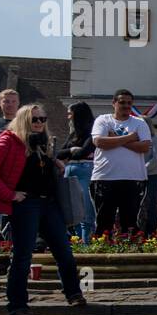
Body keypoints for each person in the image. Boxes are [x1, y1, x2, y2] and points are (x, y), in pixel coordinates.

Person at [0, 104, 86, 315]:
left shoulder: (44, 142)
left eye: (42, 119)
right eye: (35, 119)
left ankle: (73, 293)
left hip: (49, 203)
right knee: (22, 255)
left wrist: (55, 162)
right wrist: (9, 194)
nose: (39, 123)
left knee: (64, 251)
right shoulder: (9, 139)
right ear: (24, 120)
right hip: (26, 204)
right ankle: (17, 304)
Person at [90, 89, 151, 237]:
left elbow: (144, 147)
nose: (126, 106)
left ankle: (129, 255)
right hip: (105, 178)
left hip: (133, 179)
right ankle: (101, 255)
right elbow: (99, 142)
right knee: (104, 223)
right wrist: (129, 138)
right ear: (114, 103)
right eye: (122, 102)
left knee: (130, 224)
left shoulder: (139, 123)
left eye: (129, 103)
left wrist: (115, 138)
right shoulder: (103, 120)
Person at [56, 102, 96, 241]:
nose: (68, 117)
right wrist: (71, 151)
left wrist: (70, 152)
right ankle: (77, 241)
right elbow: (58, 154)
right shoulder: (74, 134)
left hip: (85, 169)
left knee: (85, 210)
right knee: (72, 211)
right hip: (70, 171)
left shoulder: (93, 130)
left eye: (70, 113)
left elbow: (84, 152)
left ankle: (86, 244)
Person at [140, 117, 157, 238]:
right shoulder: (137, 141)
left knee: (151, 206)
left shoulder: (156, 139)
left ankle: (151, 233)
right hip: (137, 178)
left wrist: (141, 170)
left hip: (153, 177)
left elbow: (156, 159)